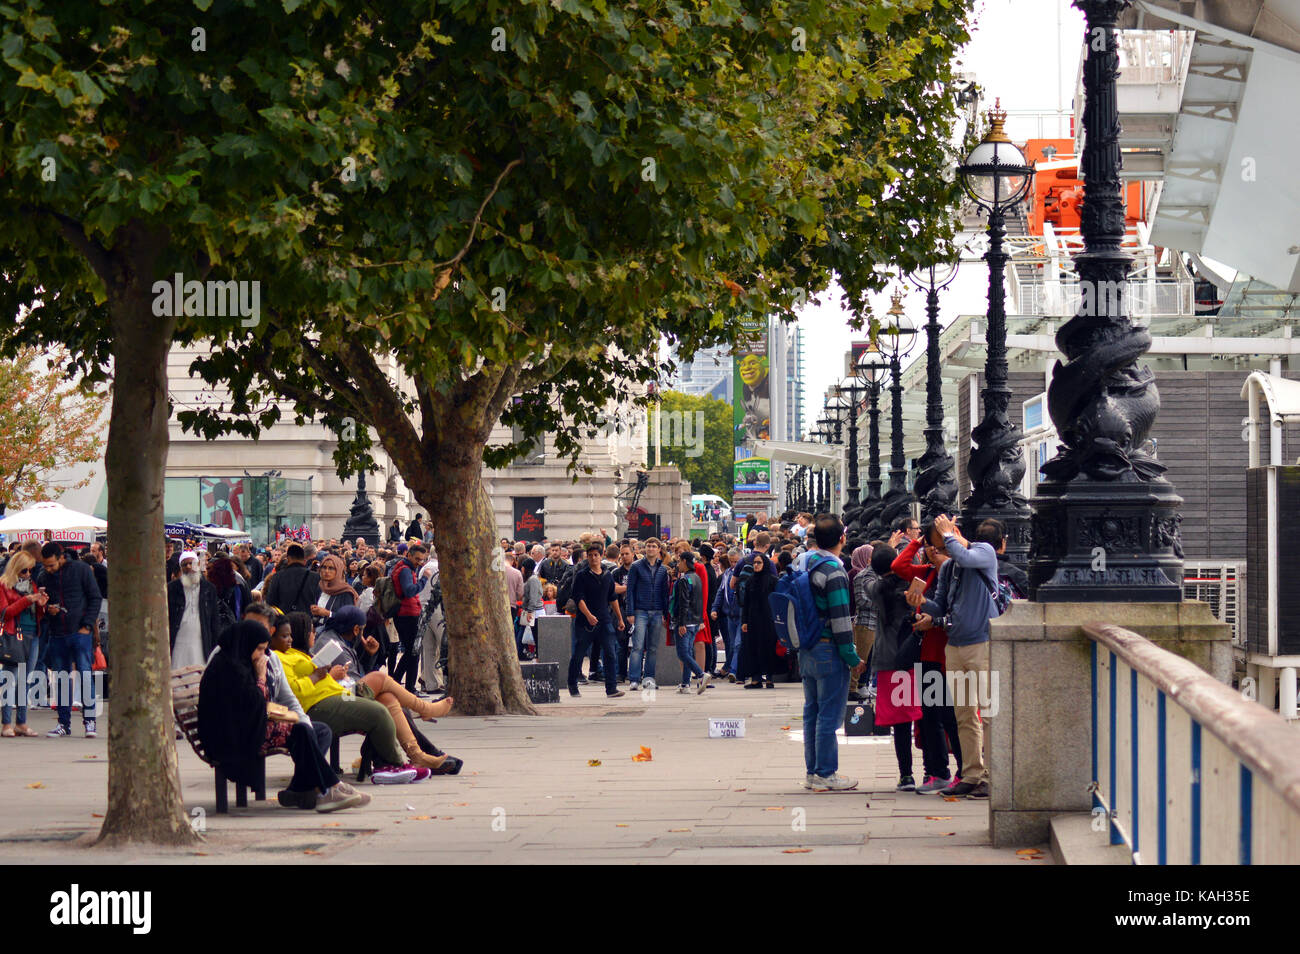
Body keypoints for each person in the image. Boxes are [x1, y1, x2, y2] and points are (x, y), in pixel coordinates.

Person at [198, 620, 367, 812]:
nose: (263, 655)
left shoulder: (243, 660)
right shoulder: (227, 667)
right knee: (301, 732)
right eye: (260, 649)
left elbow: (269, 703)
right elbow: (253, 704)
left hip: (250, 726)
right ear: (245, 644)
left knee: (318, 730)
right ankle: (330, 787)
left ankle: (301, 789)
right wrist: (261, 677)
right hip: (231, 737)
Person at [275, 611, 428, 784]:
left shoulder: (304, 654)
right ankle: (397, 759)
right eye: (311, 631)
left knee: (387, 700)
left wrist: (367, 656)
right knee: (378, 707)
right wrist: (322, 676)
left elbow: (357, 671)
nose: (314, 634)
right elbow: (293, 691)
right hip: (318, 704)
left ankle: (395, 762)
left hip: (339, 694)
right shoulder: (283, 658)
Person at [914, 514, 1000, 799]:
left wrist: (949, 535)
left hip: (982, 643)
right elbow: (941, 605)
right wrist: (923, 603)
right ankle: (972, 772)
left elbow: (965, 556)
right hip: (955, 645)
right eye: (938, 548)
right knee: (964, 715)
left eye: (943, 545)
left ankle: (992, 775)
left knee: (989, 712)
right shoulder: (949, 568)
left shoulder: (983, 552)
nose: (942, 552)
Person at [311, 606, 458, 772]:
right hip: (340, 699)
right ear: (356, 629)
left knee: (388, 698)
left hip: (344, 695)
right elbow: (352, 681)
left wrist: (369, 654)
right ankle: (424, 709)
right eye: (362, 630)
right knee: (379, 678)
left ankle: (416, 754)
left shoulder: (338, 640)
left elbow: (355, 677)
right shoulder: (332, 646)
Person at [893, 523, 962, 794]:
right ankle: (937, 772)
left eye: (941, 548)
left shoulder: (960, 574)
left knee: (953, 718)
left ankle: (965, 770)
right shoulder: (928, 573)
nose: (934, 553)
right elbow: (900, 565)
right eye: (931, 548)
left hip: (950, 652)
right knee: (930, 716)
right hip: (928, 653)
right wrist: (918, 542)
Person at [799, 515, 865, 792]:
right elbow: (841, 620)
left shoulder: (807, 565)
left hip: (808, 649)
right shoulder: (834, 572)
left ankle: (813, 772)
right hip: (829, 650)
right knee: (829, 715)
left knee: (812, 713)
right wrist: (852, 656)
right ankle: (827, 774)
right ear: (842, 539)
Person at [868, 544, 923, 791]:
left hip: (889, 662)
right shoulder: (913, 589)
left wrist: (884, 555)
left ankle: (906, 775)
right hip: (913, 658)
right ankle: (934, 771)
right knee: (923, 718)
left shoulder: (878, 589)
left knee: (900, 724)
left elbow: (865, 578)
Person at [38, 542, 103, 739]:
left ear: (61, 557)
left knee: (84, 675)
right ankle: (63, 723)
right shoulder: (44, 576)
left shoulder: (81, 570)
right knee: (62, 678)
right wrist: (48, 608)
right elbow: (44, 602)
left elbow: (95, 597)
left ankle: (89, 720)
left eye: (51, 565)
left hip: (79, 631)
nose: (48, 569)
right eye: (46, 565)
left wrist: (87, 625)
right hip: (58, 632)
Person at [568, 542, 625, 698]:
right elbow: (578, 598)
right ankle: (572, 685)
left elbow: (613, 598)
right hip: (585, 623)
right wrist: (588, 615)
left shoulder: (607, 575)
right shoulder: (582, 575)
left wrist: (620, 619)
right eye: (590, 555)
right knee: (578, 654)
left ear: (602, 556)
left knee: (610, 653)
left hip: (605, 620)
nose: (593, 558)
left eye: (596, 555)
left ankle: (611, 688)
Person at [1, 552, 47, 737]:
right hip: (13, 635)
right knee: (9, 680)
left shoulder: (31, 585)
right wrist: (26, 600)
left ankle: (21, 722)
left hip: (32, 634)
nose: (29, 574)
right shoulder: (4, 585)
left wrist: (42, 605)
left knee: (25, 680)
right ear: (16, 568)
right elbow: (5, 613)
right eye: (25, 570)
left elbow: (36, 614)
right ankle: (6, 723)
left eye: (31, 570)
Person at [624, 537, 668, 692]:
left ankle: (648, 679)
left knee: (653, 648)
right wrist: (630, 612)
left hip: (657, 611)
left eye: (653, 546)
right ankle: (634, 679)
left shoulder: (663, 569)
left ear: (658, 549)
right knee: (637, 646)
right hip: (640, 611)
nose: (650, 548)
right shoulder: (636, 567)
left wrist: (665, 613)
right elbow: (630, 590)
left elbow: (664, 593)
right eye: (648, 546)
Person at [168, 551, 220, 670]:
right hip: (178, 641)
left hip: (201, 640)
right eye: (184, 565)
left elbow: (214, 620)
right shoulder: (172, 588)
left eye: (191, 563)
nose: (188, 567)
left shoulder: (209, 588)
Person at [667, 555, 710, 694]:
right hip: (695, 622)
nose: (678, 564)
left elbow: (683, 602)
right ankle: (685, 684)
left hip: (685, 621)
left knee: (683, 652)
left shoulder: (684, 580)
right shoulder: (696, 578)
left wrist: (681, 623)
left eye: (679, 561)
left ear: (684, 561)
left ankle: (701, 674)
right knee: (688, 651)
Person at [390, 543, 428, 693]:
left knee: (411, 651)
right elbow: (409, 591)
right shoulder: (405, 571)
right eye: (417, 559)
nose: (419, 562)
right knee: (413, 651)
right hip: (408, 614)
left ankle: (401, 684)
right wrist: (424, 580)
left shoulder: (402, 567)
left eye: (422, 560)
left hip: (405, 614)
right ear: (409, 555)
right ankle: (406, 686)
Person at [740, 551, 779, 689]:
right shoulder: (751, 581)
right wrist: (744, 621)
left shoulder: (773, 580)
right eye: (754, 563)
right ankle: (756, 679)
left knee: (768, 647)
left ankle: (769, 678)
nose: (756, 565)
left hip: (769, 620)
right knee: (753, 648)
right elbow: (746, 602)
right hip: (753, 619)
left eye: (759, 563)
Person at [848, 543, 876, 702]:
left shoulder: (877, 576)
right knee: (860, 657)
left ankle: (860, 685)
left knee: (869, 658)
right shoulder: (861, 576)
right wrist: (880, 603)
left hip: (875, 622)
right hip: (865, 623)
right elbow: (861, 601)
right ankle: (852, 687)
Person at [263, 543, 320, 616]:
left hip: (284, 621)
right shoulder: (315, 577)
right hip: (307, 620)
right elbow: (318, 601)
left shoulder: (277, 576)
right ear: (303, 558)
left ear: (288, 558)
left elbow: (270, 602)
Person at [710, 551, 741, 682]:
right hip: (729, 614)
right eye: (731, 561)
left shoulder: (743, 572)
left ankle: (733, 670)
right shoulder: (727, 573)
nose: (733, 564)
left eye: (735, 561)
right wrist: (715, 608)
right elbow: (720, 592)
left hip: (741, 613)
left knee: (738, 643)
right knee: (733, 644)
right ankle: (735, 669)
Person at [311, 553, 357, 633]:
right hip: (318, 633)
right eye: (324, 567)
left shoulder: (345, 592)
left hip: (335, 636)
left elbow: (349, 618)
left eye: (331, 568)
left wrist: (328, 613)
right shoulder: (320, 587)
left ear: (338, 570)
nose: (326, 571)